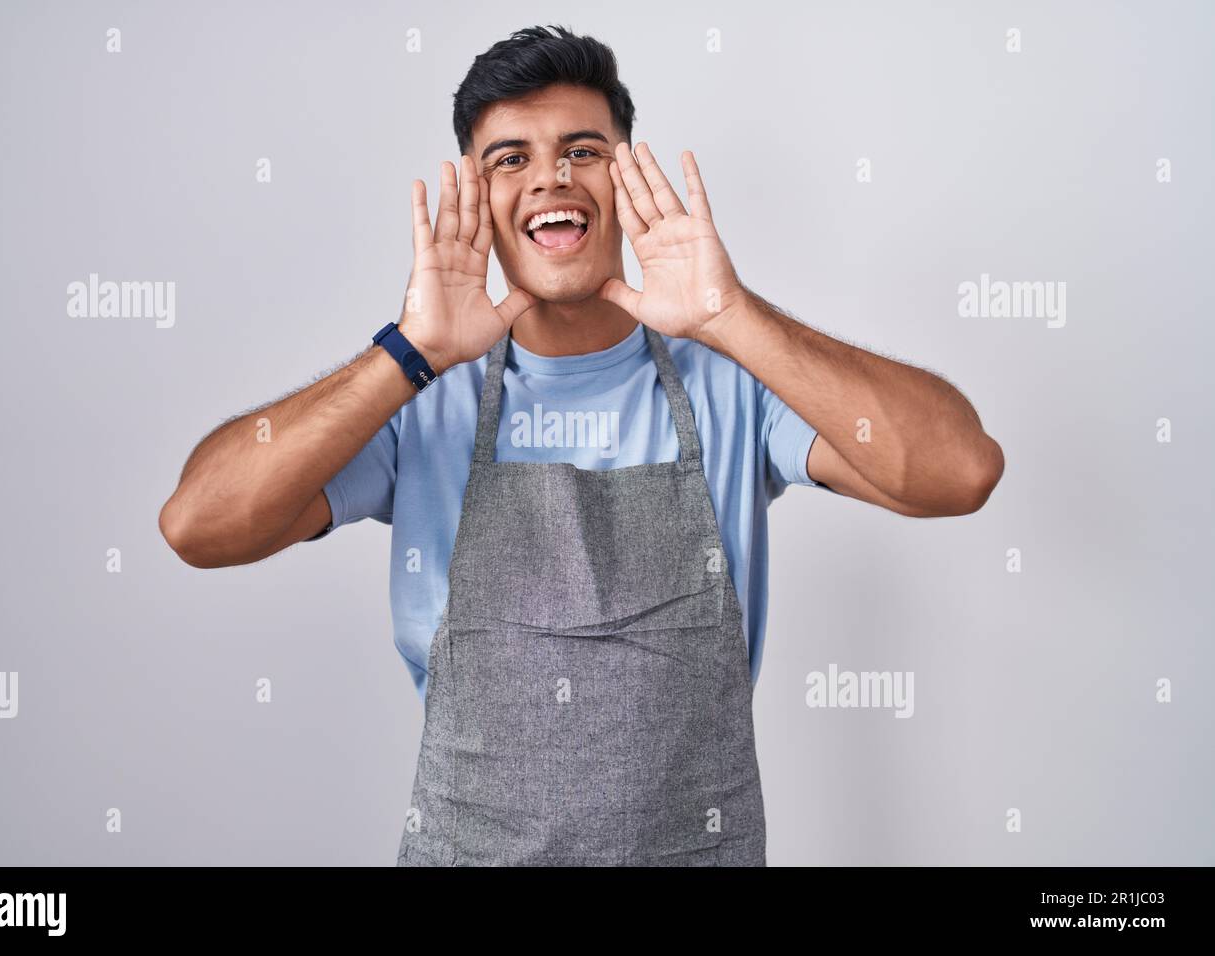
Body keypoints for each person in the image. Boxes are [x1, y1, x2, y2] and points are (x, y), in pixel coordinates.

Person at [158, 25, 1004, 866]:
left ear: (628, 174)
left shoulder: (731, 383)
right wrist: (406, 353)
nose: (551, 178)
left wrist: (732, 316)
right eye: (510, 159)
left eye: (583, 150)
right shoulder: (425, 399)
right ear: (478, 199)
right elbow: (200, 525)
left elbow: (959, 472)